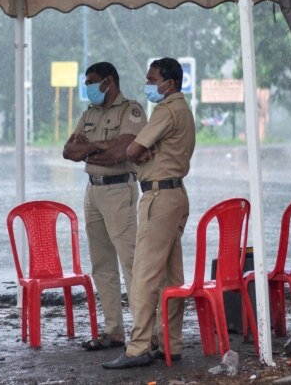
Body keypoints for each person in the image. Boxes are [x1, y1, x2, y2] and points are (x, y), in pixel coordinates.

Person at [102, 57, 196, 369]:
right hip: (175, 195)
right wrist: (144, 151)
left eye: (152, 79)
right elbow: (143, 149)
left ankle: (139, 347)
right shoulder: (184, 110)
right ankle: (170, 343)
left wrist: (139, 150)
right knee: (171, 277)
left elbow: (132, 149)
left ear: (170, 83)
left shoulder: (166, 110)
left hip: (159, 197)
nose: (148, 85)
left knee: (143, 276)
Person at [62, 62, 146, 351]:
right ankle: (114, 331)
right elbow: (68, 151)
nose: (88, 87)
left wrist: (88, 147)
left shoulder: (130, 110)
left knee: (131, 262)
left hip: (119, 189)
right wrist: (101, 147)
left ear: (108, 81)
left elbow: (122, 152)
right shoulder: (90, 113)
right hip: (93, 191)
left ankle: (145, 333)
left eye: (92, 82)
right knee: (102, 264)